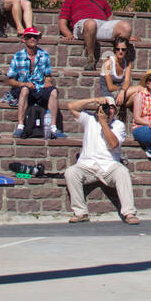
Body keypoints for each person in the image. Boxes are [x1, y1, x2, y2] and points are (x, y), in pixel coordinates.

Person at [64, 96, 138, 224]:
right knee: (71, 172)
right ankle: (81, 212)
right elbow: (71, 106)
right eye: (105, 107)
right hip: (87, 166)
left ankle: (129, 212)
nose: (107, 111)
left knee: (122, 172)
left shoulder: (118, 125)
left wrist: (104, 123)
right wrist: (93, 99)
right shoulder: (89, 119)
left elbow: (113, 144)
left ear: (114, 111)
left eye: (110, 108)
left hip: (109, 167)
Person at [58, 0, 131, 70]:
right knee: (91, 23)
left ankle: (119, 61)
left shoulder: (101, 0)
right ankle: (91, 58)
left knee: (126, 26)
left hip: (101, 24)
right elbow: (62, 23)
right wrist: (68, 34)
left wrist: (126, 34)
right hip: (83, 26)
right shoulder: (70, 0)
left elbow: (110, 21)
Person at [9, 26, 62, 137]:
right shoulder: (17, 56)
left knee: (53, 91)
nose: (33, 39)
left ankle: (53, 127)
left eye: (35, 37)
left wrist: (48, 82)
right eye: (29, 37)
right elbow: (11, 81)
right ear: (24, 39)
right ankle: (20, 126)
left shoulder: (44, 55)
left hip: (39, 87)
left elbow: (48, 76)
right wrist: (24, 84)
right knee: (24, 90)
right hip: (23, 87)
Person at [100, 37, 137, 112]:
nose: (120, 52)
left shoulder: (127, 63)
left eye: (123, 49)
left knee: (137, 95)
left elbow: (127, 81)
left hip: (120, 91)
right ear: (114, 50)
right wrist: (121, 90)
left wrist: (122, 91)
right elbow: (110, 87)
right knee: (140, 89)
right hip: (108, 93)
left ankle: (123, 105)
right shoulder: (108, 63)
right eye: (118, 49)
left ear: (127, 50)